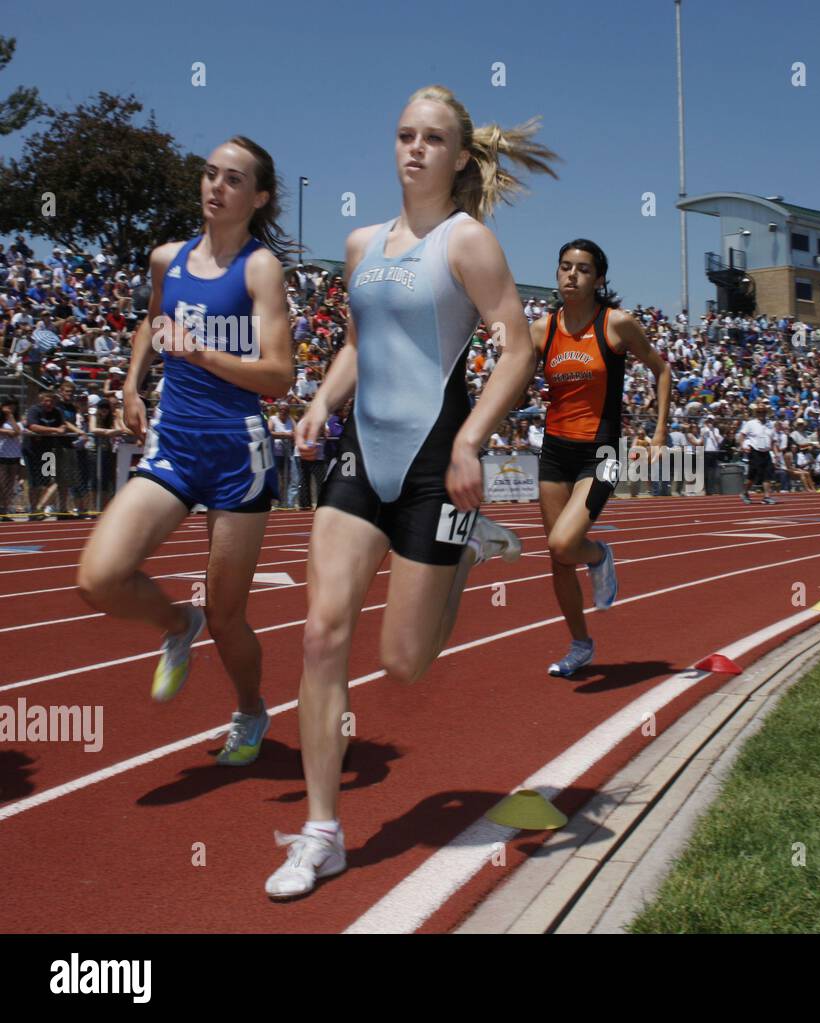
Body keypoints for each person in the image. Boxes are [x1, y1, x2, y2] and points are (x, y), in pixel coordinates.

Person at [265, 85, 557, 899]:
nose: (414, 149)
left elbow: (518, 347)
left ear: (461, 156)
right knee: (323, 634)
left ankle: (467, 545)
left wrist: (470, 440)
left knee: (404, 663)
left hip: (436, 462)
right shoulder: (361, 243)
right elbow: (360, 341)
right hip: (360, 454)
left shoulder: (470, 244)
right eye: (403, 135)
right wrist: (322, 402)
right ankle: (322, 833)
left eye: (432, 138)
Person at [75, 136, 296, 767]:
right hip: (174, 445)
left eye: (232, 180)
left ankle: (251, 709)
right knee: (98, 577)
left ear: (257, 198)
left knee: (229, 617)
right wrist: (131, 379)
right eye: (208, 174)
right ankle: (176, 625)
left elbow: (278, 377)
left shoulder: (259, 269)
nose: (214, 187)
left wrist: (197, 352)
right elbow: (153, 319)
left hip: (237, 456)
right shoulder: (165, 258)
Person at [533, 239, 669, 677]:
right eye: (565, 267)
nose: (572, 275)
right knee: (557, 560)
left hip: (603, 451)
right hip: (555, 451)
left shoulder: (617, 325)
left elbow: (661, 369)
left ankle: (598, 557)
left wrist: (659, 433)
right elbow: (513, 379)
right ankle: (580, 645)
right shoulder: (541, 330)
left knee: (563, 544)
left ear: (599, 279)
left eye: (583, 269)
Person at [737, 403, 777, 504]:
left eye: (763, 412)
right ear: (756, 413)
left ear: (766, 412)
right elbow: (742, 435)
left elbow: (773, 440)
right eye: (759, 412)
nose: (761, 413)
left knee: (767, 474)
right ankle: (745, 492)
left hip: (766, 451)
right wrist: (742, 446)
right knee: (753, 475)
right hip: (755, 451)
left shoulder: (770, 424)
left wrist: (776, 453)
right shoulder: (751, 423)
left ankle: (767, 497)